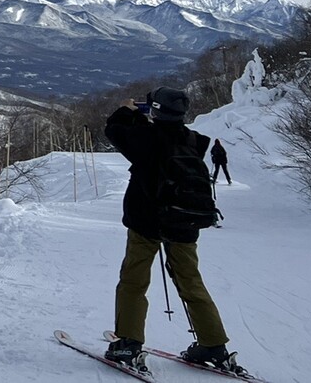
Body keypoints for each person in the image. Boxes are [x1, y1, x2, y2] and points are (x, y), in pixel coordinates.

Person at [103, 87, 243, 374]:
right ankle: (213, 345)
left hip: (146, 223)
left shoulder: (143, 138)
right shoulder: (196, 141)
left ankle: (128, 343)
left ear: (154, 110)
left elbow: (114, 130)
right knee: (191, 281)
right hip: (184, 223)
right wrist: (148, 119)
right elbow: (165, 137)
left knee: (134, 280)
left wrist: (127, 110)